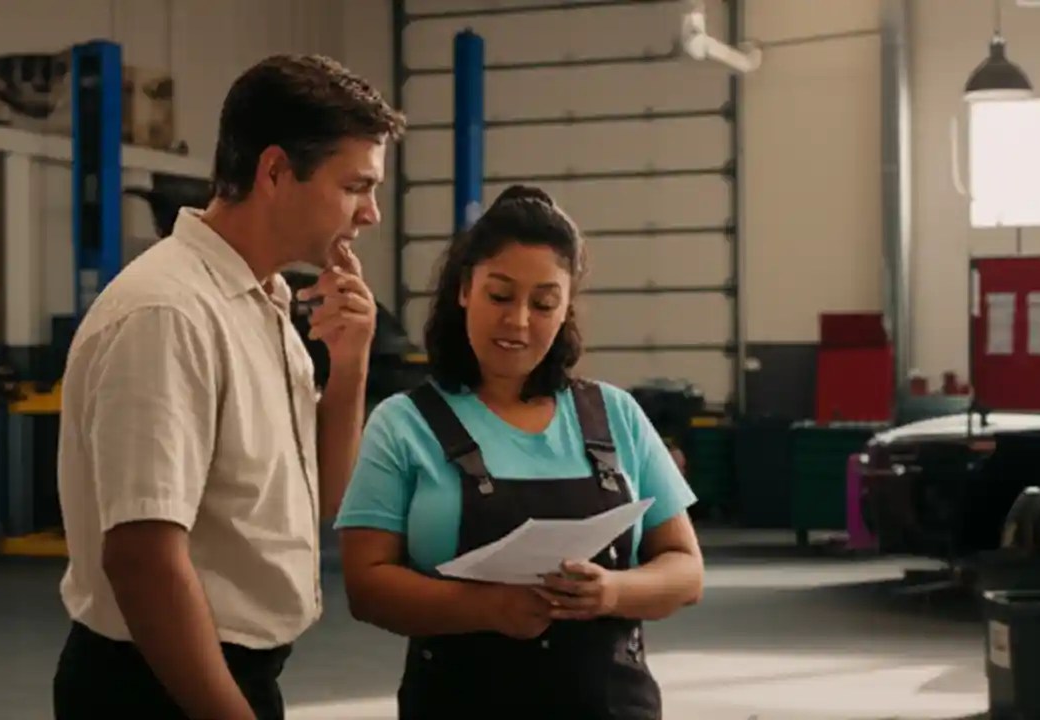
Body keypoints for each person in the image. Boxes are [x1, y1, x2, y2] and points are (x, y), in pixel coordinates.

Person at [52, 54, 405, 720]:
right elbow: (142, 559)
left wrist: (350, 366)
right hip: (157, 686)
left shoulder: (263, 299)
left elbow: (324, 499)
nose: (372, 215)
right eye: (357, 186)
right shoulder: (170, 314)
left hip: (230, 674)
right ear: (274, 171)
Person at [336, 184, 705, 719]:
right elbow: (366, 586)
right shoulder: (403, 424)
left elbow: (685, 570)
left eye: (544, 303)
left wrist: (611, 592)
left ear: (565, 309)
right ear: (465, 288)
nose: (519, 321)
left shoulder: (615, 415)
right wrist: (487, 607)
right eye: (500, 295)